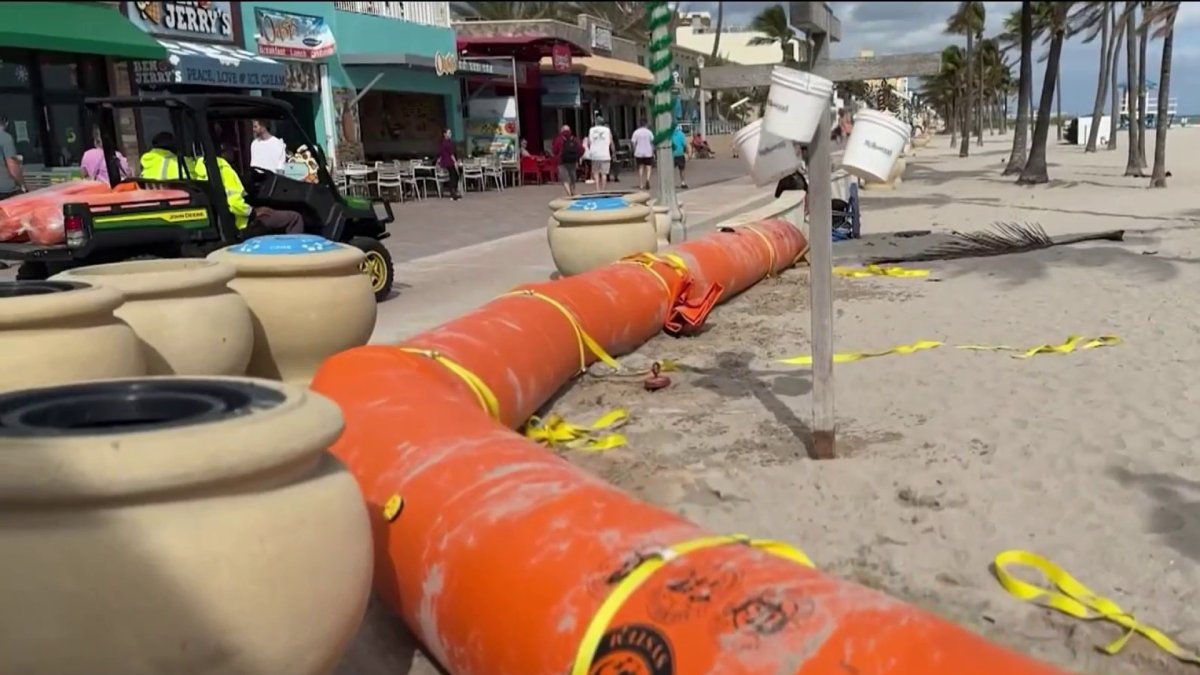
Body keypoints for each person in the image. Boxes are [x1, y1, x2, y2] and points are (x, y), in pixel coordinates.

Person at [0, 116, 27, 199]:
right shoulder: (5, 138)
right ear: (6, 123)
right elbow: (12, 166)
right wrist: (22, 185)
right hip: (5, 191)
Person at [585, 114, 614, 192]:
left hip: (595, 154)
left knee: (596, 173)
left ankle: (597, 188)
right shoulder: (607, 130)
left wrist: (591, 148)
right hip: (605, 154)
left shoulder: (591, 130)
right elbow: (610, 141)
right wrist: (613, 152)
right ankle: (603, 189)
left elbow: (588, 142)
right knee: (604, 174)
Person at [552, 125, 581, 197]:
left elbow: (554, 150)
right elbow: (581, 149)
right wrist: (577, 157)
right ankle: (573, 191)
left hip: (561, 161)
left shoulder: (558, 139)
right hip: (572, 161)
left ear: (561, 131)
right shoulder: (573, 139)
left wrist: (557, 156)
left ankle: (569, 194)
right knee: (572, 178)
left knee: (565, 179)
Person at [438, 128, 462, 201]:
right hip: (449, 162)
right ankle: (453, 193)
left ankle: (453, 192)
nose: (450, 134)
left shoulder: (445, 142)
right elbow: (451, 153)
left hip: (447, 162)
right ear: (444, 134)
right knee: (454, 176)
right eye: (449, 133)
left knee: (454, 176)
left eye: (450, 133)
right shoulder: (446, 143)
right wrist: (455, 162)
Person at [630, 119, 654, 190]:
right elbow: (652, 142)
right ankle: (648, 179)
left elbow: (633, 142)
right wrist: (653, 151)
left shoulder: (636, 132)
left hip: (639, 152)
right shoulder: (649, 132)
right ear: (646, 124)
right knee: (648, 167)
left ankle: (641, 183)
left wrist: (634, 149)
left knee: (640, 168)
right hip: (648, 152)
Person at [671, 124, 688, 190]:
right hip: (680, 154)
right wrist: (687, 152)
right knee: (682, 169)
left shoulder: (670, 134)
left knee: (671, 170)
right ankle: (683, 182)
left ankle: (670, 183)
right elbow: (684, 144)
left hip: (672, 155)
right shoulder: (681, 134)